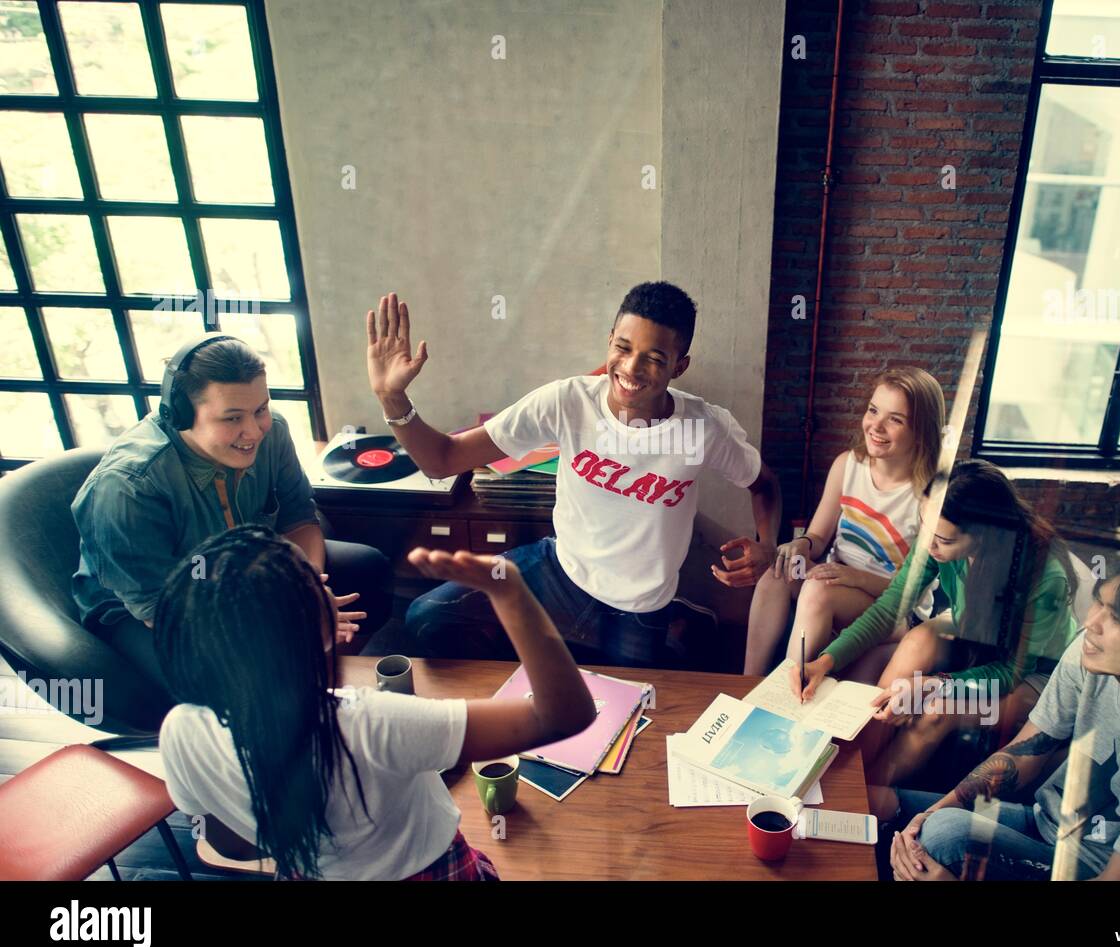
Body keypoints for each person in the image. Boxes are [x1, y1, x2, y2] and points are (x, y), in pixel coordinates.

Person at [367, 282, 782, 667]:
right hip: (557, 571)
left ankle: (674, 625)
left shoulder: (701, 429)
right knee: (427, 616)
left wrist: (768, 545)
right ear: (609, 342)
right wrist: (392, 397)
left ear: (680, 366)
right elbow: (441, 459)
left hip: (638, 608)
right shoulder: (568, 402)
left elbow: (764, 485)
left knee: (633, 715)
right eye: (623, 347)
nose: (632, 368)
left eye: (655, 358)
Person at [155, 525, 596, 880]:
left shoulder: (178, 729)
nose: (324, 578)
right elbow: (563, 715)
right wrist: (512, 595)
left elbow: (230, 843)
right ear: (311, 631)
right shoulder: (370, 722)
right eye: (310, 580)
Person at [71, 334, 390, 708]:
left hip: (245, 572)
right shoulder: (127, 487)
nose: (254, 431)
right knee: (245, 672)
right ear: (182, 414)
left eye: (260, 410)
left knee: (368, 569)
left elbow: (298, 518)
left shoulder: (274, 433)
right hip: (152, 609)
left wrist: (304, 586)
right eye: (232, 418)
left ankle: (318, 688)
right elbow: (159, 605)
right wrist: (279, 610)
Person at [875, 566, 1120, 881]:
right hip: (1040, 823)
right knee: (882, 807)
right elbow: (1024, 754)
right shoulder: (1089, 654)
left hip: (1089, 866)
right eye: (1098, 603)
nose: (1090, 622)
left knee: (943, 838)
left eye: (1114, 617)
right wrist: (928, 814)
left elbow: (1118, 878)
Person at [795, 459, 1079, 785]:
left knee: (938, 710)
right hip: (975, 634)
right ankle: (845, 777)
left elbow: (1009, 672)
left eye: (943, 541)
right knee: (917, 642)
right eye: (925, 528)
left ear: (987, 536)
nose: (928, 547)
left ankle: (868, 793)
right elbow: (889, 609)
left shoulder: (1044, 577)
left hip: (1034, 675)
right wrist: (826, 661)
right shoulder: (937, 530)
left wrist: (937, 683)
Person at [743, 367, 945, 676]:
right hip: (835, 580)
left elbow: (910, 593)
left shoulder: (929, 497)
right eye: (873, 410)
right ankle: (748, 681)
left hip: (894, 610)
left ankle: (787, 689)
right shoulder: (847, 465)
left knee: (817, 591)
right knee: (778, 569)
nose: (876, 426)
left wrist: (852, 577)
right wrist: (801, 544)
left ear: (922, 431)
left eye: (895, 419)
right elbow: (818, 538)